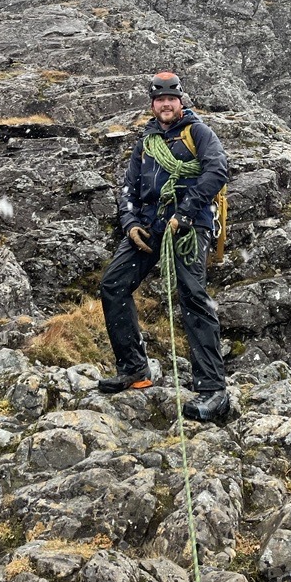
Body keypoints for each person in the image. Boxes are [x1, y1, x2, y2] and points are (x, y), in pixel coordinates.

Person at [98, 71, 230, 422]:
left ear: (180, 101)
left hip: (189, 226)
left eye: (171, 99)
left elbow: (217, 171)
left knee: (192, 296)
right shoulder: (146, 141)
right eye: (160, 100)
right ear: (153, 104)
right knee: (113, 285)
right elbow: (129, 187)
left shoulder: (198, 132)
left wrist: (184, 212)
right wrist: (131, 224)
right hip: (150, 226)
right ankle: (134, 369)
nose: (166, 105)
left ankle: (214, 390)